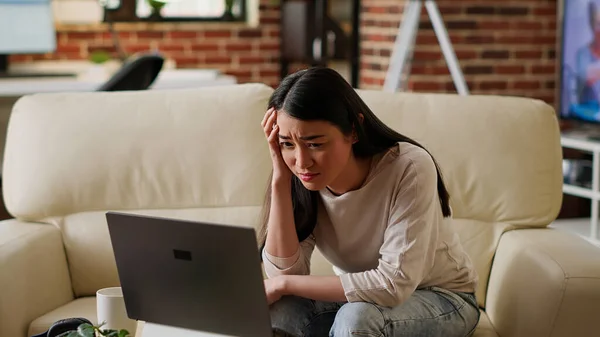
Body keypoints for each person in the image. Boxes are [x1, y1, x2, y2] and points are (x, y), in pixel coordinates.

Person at [258, 67, 479, 337]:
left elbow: (392, 284)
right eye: (287, 144)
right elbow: (286, 272)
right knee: (279, 310)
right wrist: (280, 179)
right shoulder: (301, 176)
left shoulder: (409, 166)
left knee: (358, 318)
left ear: (353, 130)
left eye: (315, 144)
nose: (302, 161)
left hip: (444, 299)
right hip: (366, 300)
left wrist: (284, 285)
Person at [576, 0, 600, 106]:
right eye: (598, 24)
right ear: (592, 25)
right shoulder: (583, 54)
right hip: (587, 111)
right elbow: (584, 76)